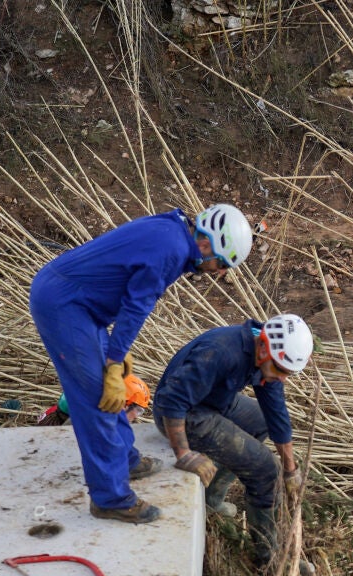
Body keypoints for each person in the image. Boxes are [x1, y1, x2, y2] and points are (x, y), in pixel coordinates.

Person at [29, 204, 254, 524]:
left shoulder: (173, 232)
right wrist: (114, 360)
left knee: (112, 389)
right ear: (206, 245)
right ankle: (110, 498)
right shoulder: (171, 253)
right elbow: (136, 308)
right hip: (64, 304)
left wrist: (116, 357)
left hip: (80, 304)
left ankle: (125, 459)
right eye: (221, 263)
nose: (219, 272)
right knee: (97, 398)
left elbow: (127, 289)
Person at [154, 314, 314, 565]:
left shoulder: (266, 358)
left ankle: (212, 499)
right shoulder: (221, 352)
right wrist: (184, 454)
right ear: (263, 347)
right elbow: (171, 400)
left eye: (288, 373)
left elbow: (276, 415)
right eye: (281, 371)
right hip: (187, 415)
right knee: (264, 469)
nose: (283, 378)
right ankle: (269, 559)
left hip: (216, 402)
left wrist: (291, 470)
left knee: (260, 423)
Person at [38, 374, 152, 428]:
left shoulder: (87, 401)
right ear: (122, 404)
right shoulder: (89, 419)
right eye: (138, 410)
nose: (137, 416)